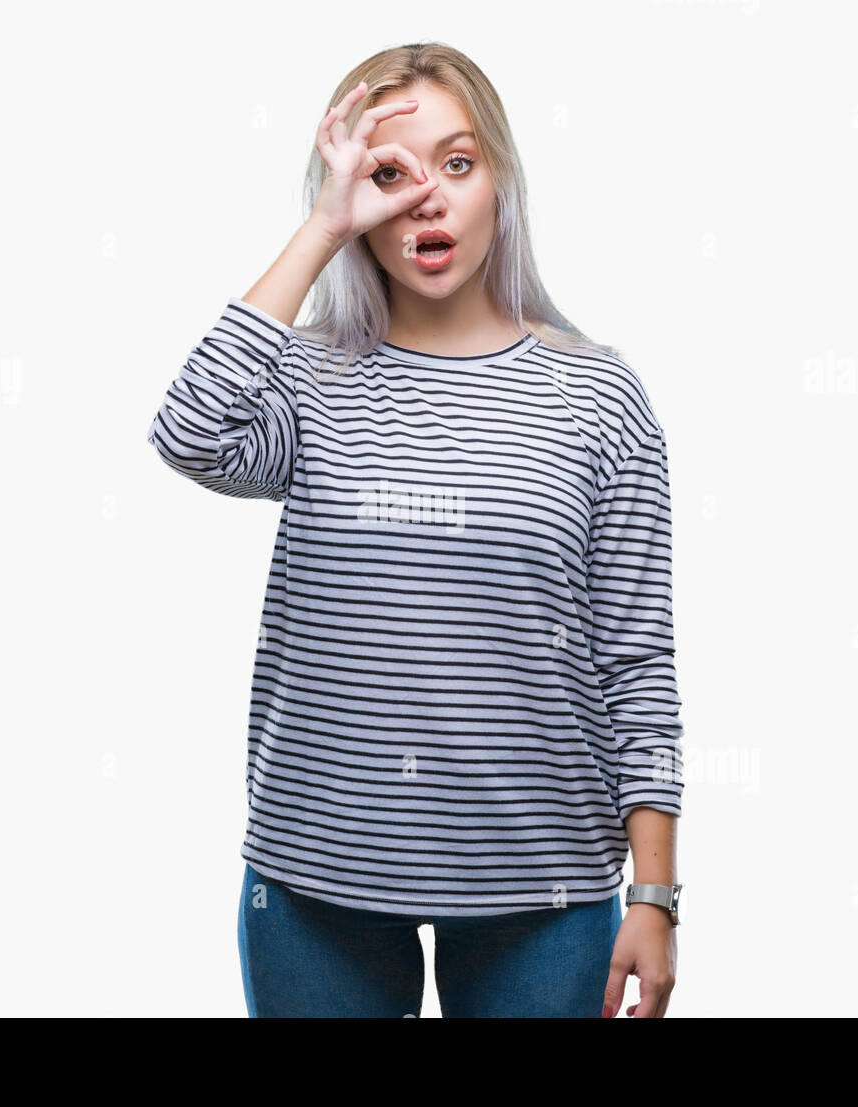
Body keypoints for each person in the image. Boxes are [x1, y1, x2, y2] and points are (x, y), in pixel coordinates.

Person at [147, 42, 686, 1018]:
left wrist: (653, 895)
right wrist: (320, 227)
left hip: (544, 884)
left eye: (457, 163)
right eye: (386, 175)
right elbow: (189, 433)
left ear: (499, 182)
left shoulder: (599, 396)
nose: (425, 199)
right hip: (314, 876)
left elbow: (637, 658)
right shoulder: (309, 381)